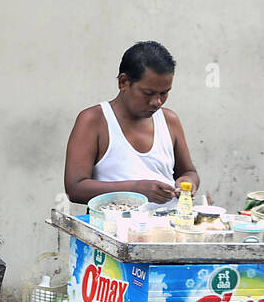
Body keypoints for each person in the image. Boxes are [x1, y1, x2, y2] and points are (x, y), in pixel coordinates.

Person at [64, 41, 200, 205]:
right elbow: (75, 188)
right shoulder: (94, 121)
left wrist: (187, 182)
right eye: (148, 93)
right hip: (113, 227)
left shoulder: (170, 121)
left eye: (164, 93)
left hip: (167, 227)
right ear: (123, 82)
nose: (157, 102)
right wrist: (135, 189)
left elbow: (188, 171)